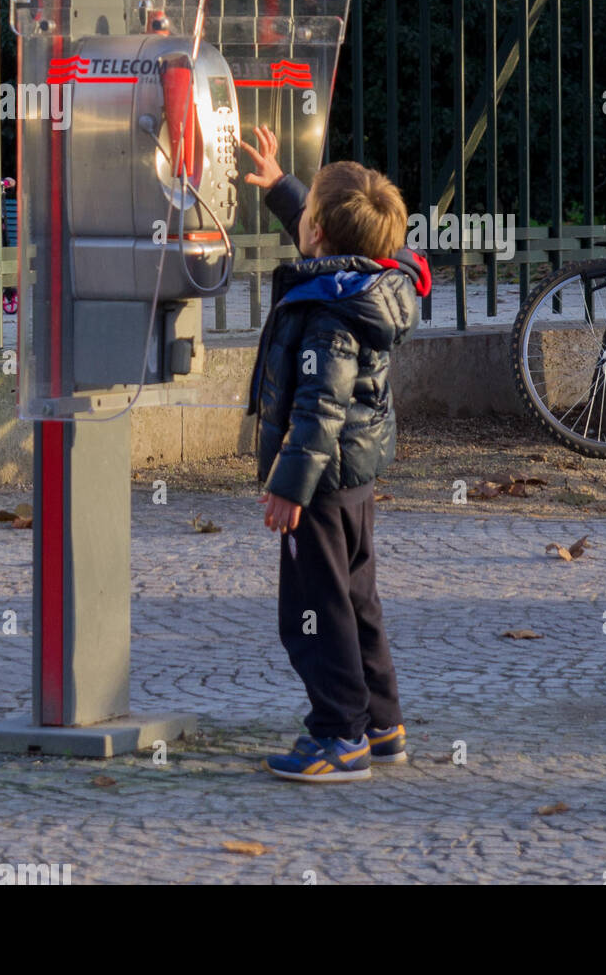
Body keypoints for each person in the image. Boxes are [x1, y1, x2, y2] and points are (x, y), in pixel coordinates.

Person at [240, 123, 430, 783]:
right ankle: (382, 725)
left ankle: (339, 736)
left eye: (307, 213)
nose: (304, 224)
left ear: (318, 234)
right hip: (353, 481)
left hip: (317, 484)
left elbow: (320, 408)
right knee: (357, 601)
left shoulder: (328, 312)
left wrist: (288, 487)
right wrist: (286, 188)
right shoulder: (372, 283)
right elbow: (333, 239)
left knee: (313, 615)